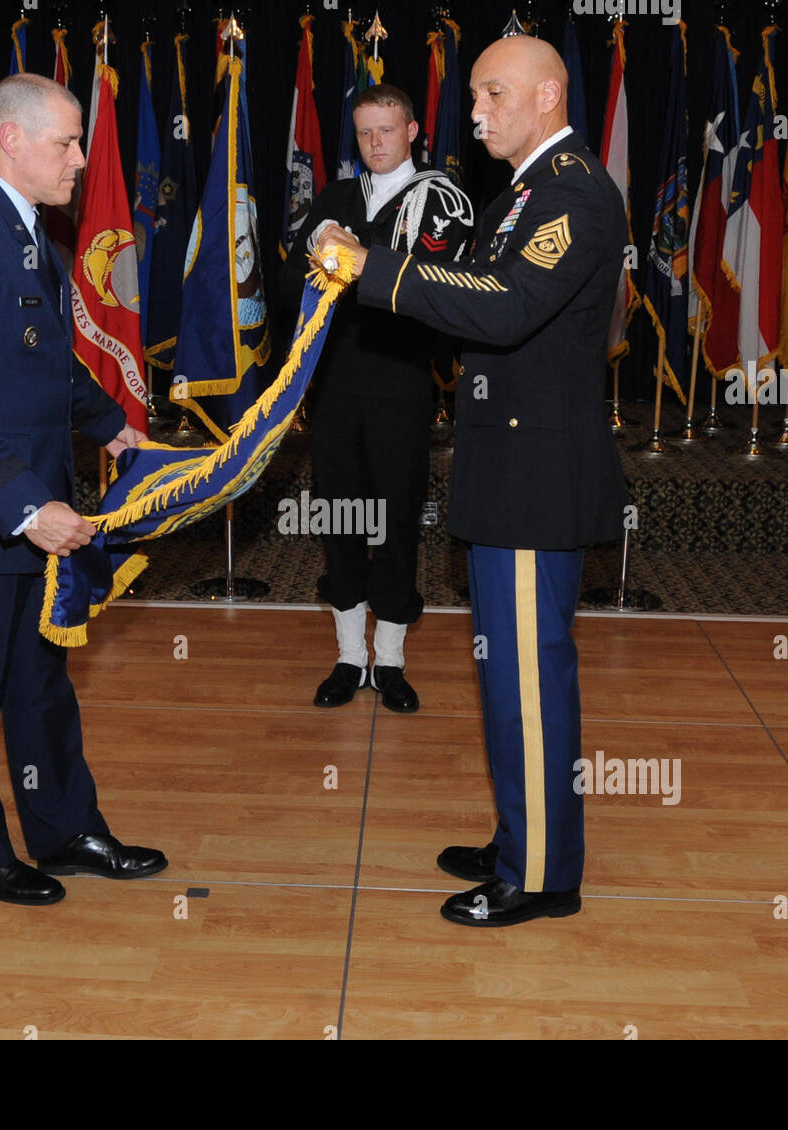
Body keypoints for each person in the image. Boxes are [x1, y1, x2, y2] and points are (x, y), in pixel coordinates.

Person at [316, 36, 628, 926]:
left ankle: (542, 875)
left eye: (494, 94)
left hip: (536, 477)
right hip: (506, 468)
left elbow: (504, 306)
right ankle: (520, 836)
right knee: (508, 679)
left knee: (530, 681)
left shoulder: (573, 191)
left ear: (549, 95)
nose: (477, 111)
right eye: (478, 96)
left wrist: (369, 268)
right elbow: (474, 288)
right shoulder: (523, 191)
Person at [0, 74, 166, 907]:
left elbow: (47, 361)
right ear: (10, 139)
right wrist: (22, 504)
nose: (80, 160)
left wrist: (111, 426)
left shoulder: (26, 233)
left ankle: (65, 831)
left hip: (39, 500)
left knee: (41, 681)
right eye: (67, 142)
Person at [282, 83, 473, 714]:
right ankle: (348, 655)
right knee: (340, 517)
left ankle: (389, 659)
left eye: (386, 130)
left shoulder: (441, 200)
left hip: (401, 385)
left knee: (395, 521)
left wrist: (356, 256)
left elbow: (435, 288)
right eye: (364, 131)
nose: (374, 142)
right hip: (336, 386)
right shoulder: (336, 198)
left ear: (412, 131)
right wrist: (319, 248)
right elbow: (289, 280)